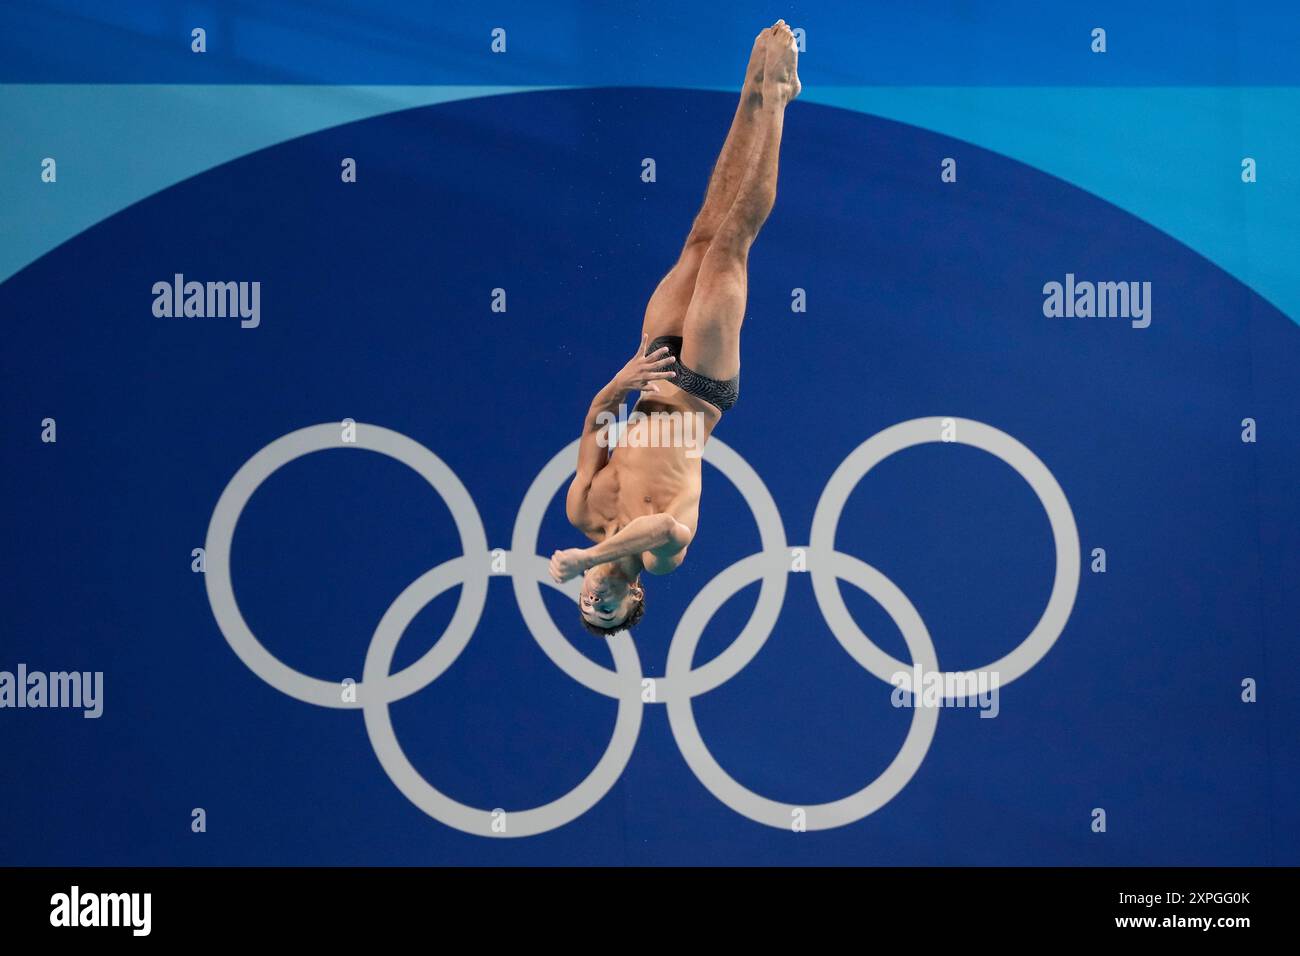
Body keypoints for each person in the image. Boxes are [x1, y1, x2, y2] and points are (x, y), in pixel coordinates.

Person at [548, 20, 800, 636]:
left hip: (651, 374)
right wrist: (589, 557)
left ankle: (749, 95)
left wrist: (622, 380)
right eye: (608, 610)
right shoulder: (662, 562)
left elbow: (597, 423)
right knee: (731, 246)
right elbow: (662, 526)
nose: (595, 600)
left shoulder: (583, 510)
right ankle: (780, 101)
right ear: (634, 598)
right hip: (702, 393)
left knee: (702, 233)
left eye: (588, 606)